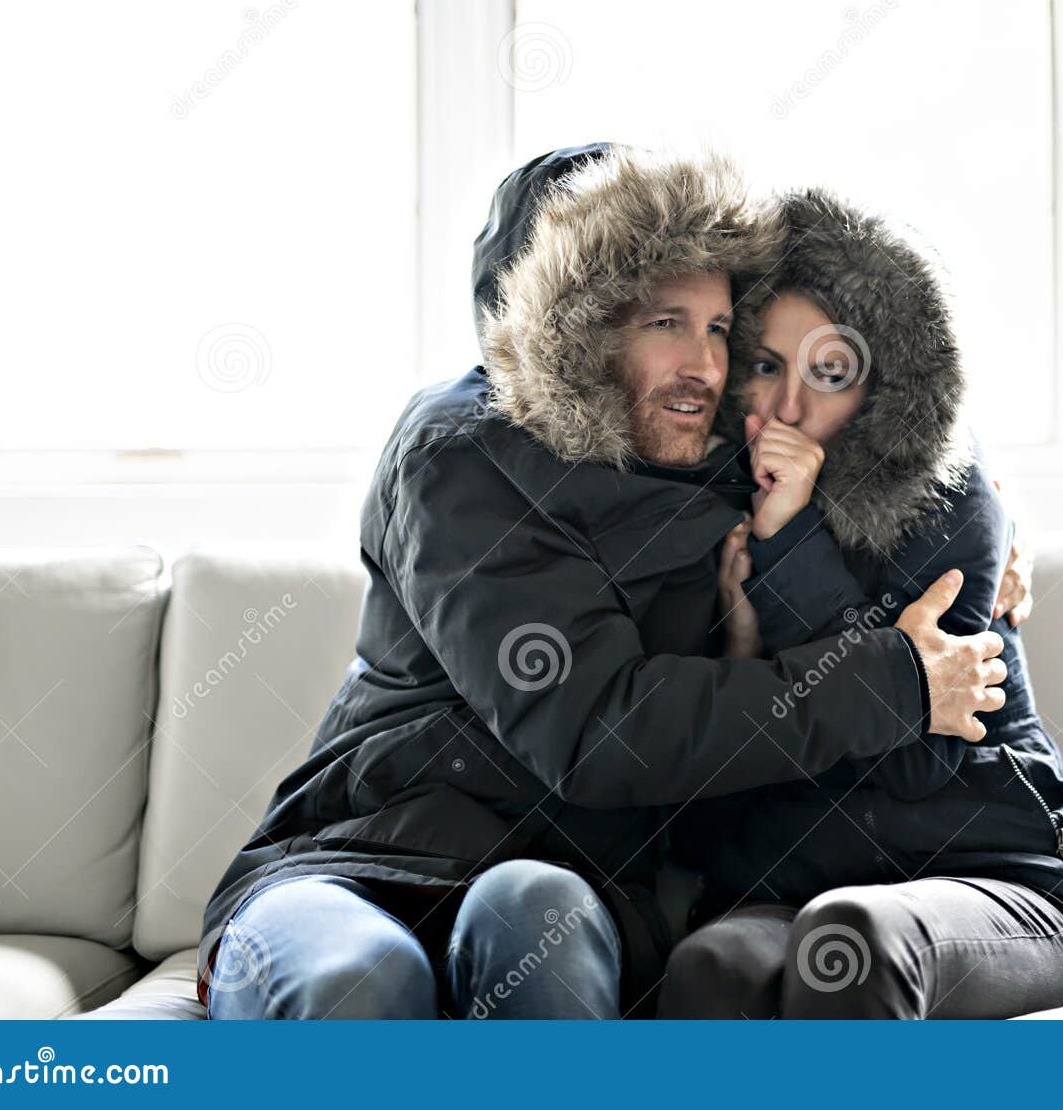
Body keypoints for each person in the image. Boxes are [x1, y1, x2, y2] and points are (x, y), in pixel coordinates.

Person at [196, 144, 1007, 1019]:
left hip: (568, 885)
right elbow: (595, 729)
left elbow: (895, 436)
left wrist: (994, 516)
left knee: (536, 912)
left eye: (720, 328)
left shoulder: (712, 443)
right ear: (562, 326)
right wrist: (890, 680)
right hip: (365, 860)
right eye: (663, 321)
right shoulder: (457, 456)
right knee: (361, 979)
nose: (704, 363)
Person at [658, 188, 1063, 1019]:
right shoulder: (704, 488)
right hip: (796, 878)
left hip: (996, 877)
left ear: (881, 388)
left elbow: (911, 762)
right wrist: (742, 641)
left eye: (827, 374)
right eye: (766, 364)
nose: (788, 408)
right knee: (711, 964)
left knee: (854, 936)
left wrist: (790, 543)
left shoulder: (952, 501)